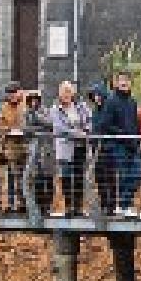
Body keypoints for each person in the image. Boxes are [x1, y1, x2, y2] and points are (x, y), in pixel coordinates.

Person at [97, 73, 141, 216]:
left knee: (136, 173)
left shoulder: (132, 102)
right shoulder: (111, 101)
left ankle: (125, 203)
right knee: (123, 175)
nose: (125, 83)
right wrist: (121, 134)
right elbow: (104, 124)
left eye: (127, 81)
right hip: (117, 144)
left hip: (132, 144)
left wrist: (136, 139)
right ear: (116, 83)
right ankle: (122, 206)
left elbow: (135, 123)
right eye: (121, 81)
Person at [50, 81, 92, 217]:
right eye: (64, 92)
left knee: (79, 177)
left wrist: (85, 131)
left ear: (73, 93)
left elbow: (89, 120)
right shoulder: (55, 109)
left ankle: (78, 207)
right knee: (66, 177)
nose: (66, 95)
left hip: (80, 147)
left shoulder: (81, 106)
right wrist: (76, 133)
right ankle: (68, 206)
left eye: (69, 91)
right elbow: (59, 128)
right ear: (59, 94)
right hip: (65, 148)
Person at [0, 81, 28, 214]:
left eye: (14, 93)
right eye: (10, 94)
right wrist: (8, 129)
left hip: (25, 146)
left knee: (23, 176)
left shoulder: (26, 105)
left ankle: (22, 203)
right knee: (10, 176)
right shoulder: (4, 108)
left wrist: (21, 129)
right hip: (10, 146)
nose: (12, 96)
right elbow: (0, 125)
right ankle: (9, 203)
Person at [23, 90, 56, 215]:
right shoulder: (26, 113)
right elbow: (26, 129)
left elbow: (50, 123)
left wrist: (37, 120)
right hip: (34, 151)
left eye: (35, 99)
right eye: (31, 100)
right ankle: (39, 205)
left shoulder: (45, 111)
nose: (33, 102)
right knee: (37, 179)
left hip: (47, 150)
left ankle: (48, 206)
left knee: (48, 178)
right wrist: (39, 128)